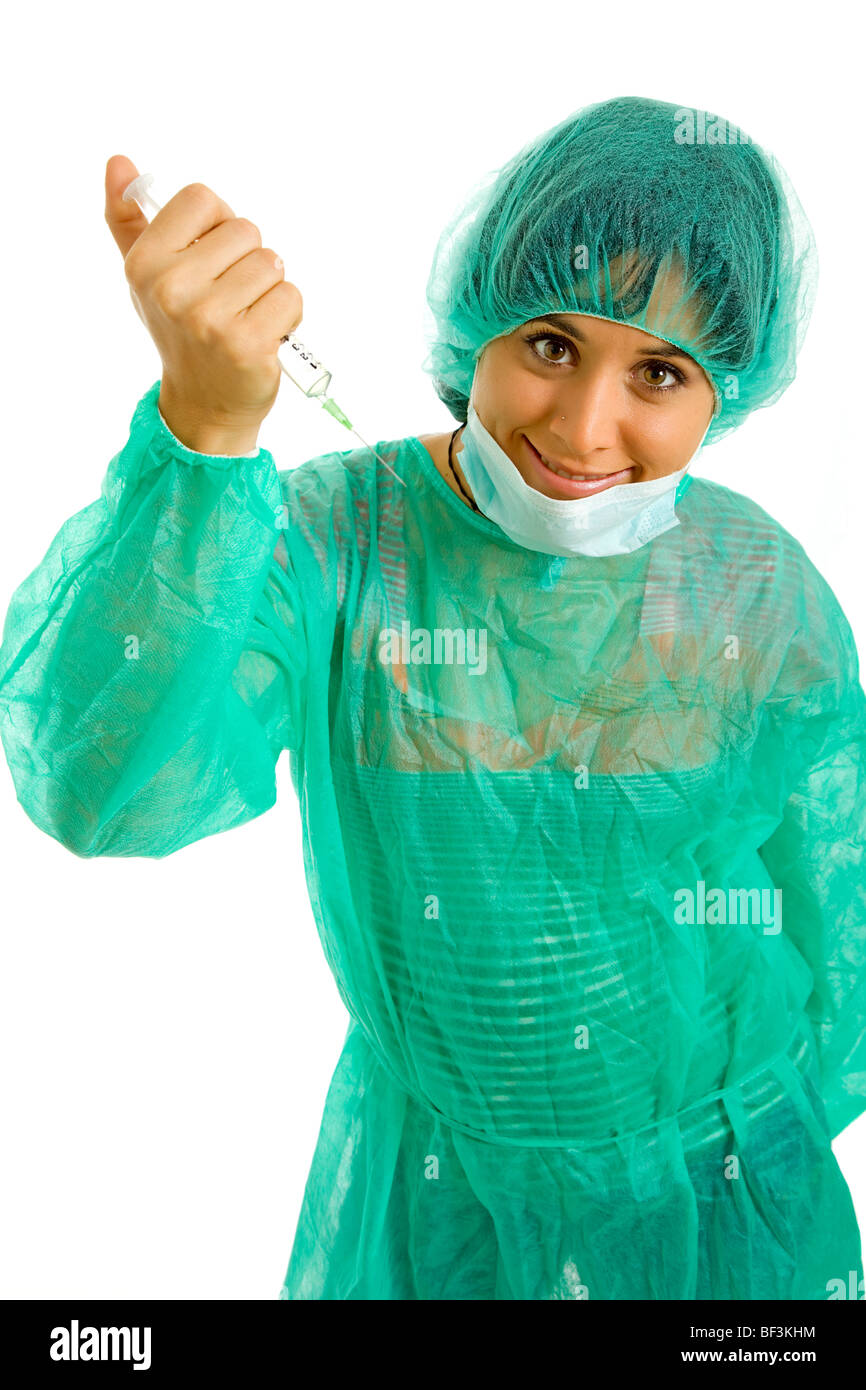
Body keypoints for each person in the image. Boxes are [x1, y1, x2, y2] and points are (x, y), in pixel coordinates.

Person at [0, 94, 864, 1301]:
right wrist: (205, 433)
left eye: (658, 371)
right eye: (551, 345)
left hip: (725, 1209)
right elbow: (104, 785)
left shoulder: (754, 584)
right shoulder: (330, 546)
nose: (581, 428)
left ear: (726, 387)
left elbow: (842, 919)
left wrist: (722, 1161)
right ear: (482, 330)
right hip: (433, 1209)